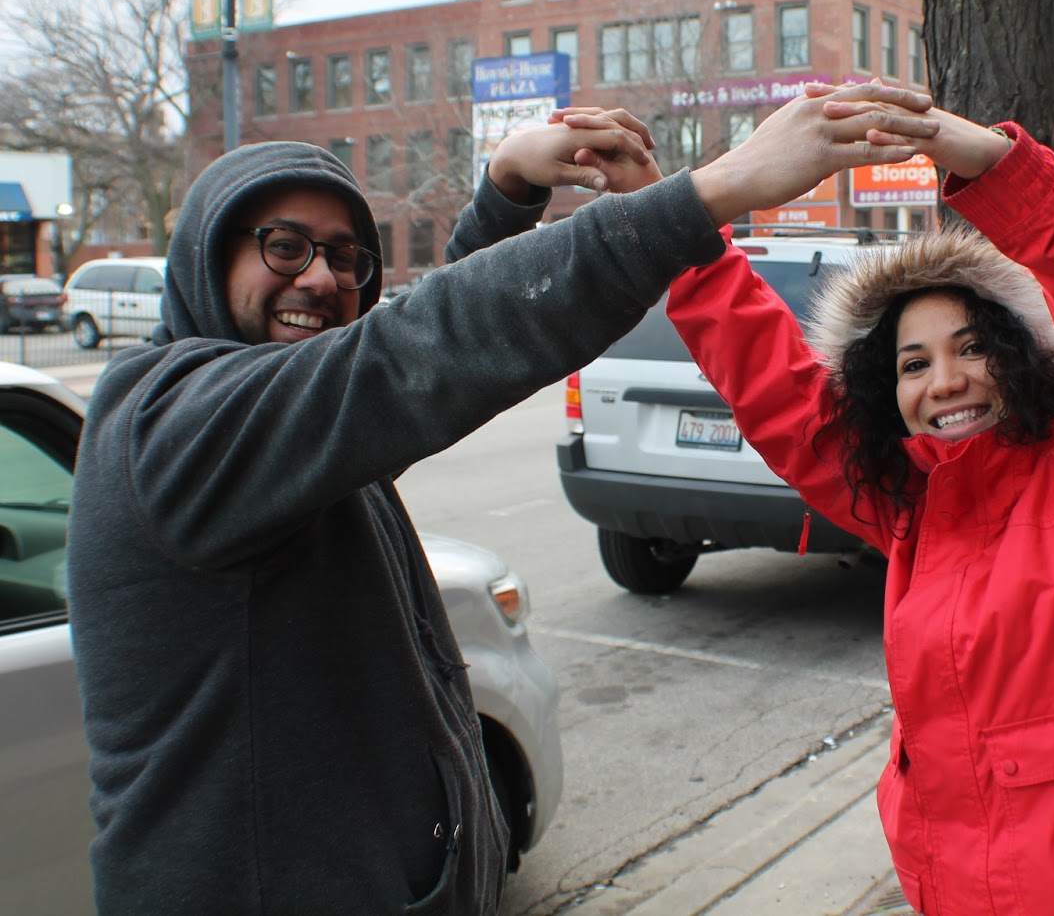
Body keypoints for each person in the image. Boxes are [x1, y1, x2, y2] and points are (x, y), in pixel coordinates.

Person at [66, 85, 937, 915]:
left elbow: (412, 346)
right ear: (205, 255)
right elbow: (411, 353)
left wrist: (508, 187)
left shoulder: (283, 442)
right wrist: (712, 191)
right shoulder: (172, 429)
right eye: (285, 246)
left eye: (345, 256)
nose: (323, 279)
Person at [665, 91, 1054, 914]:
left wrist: (1007, 173)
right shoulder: (912, 505)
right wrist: (673, 222)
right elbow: (781, 397)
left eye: (972, 349)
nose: (947, 382)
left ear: (1018, 357)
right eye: (914, 364)